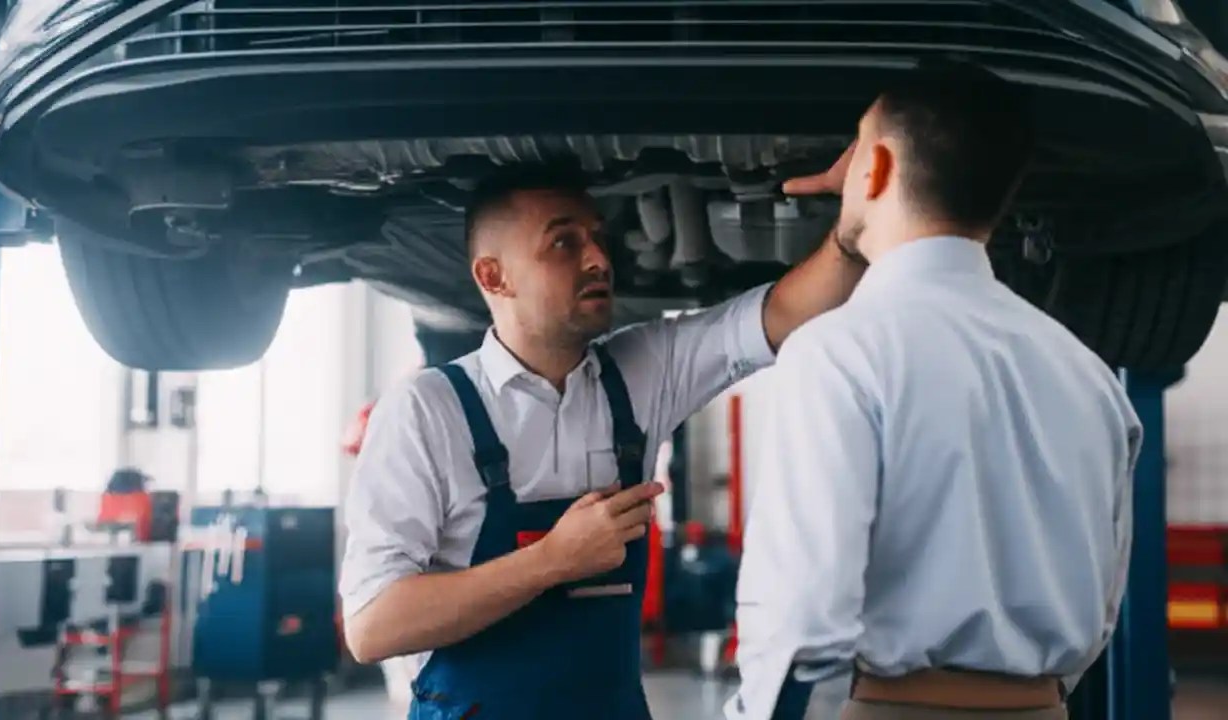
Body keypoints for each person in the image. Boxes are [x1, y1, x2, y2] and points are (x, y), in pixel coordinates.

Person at [339, 160, 864, 719]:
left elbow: (784, 311)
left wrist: (859, 219)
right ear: (493, 277)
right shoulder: (427, 410)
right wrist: (552, 560)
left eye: (597, 238)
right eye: (563, 243)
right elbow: (371, 626)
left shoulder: (641, 375)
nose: (598, 260)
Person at [727, 59, 1141, 720]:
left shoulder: (838, 353)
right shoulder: (1086, 374)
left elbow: (801, 614)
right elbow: (1107, 597)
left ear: (876, 168)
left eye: (856, 148)